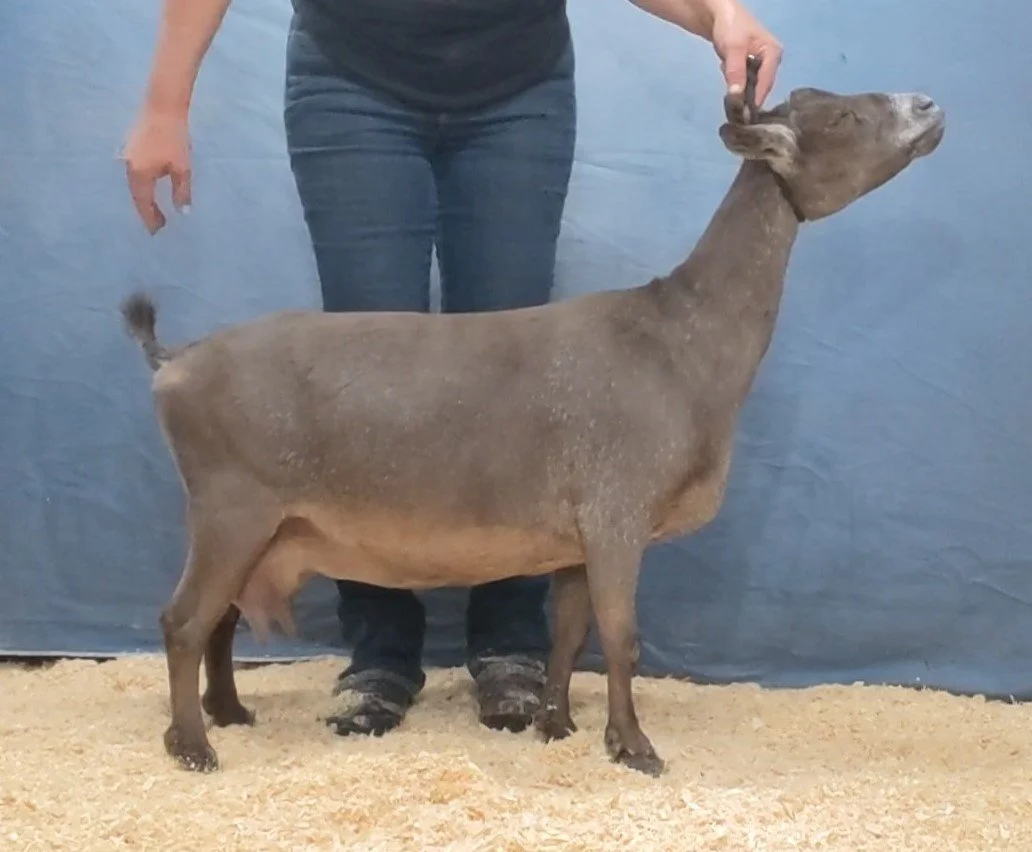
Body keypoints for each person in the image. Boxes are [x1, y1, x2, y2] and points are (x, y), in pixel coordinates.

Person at [122, 0, 782, 740]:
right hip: (352, 80)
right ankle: (380, 654)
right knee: (359, 381)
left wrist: (719, 15)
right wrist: (163, 103)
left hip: (516, 87)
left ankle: (508, 644)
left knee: (526, 388)